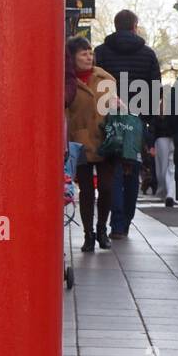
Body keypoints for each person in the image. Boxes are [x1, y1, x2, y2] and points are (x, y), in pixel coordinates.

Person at [94, 11, 161, 237]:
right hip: (136, 118)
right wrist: (147, 122)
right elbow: (154, 91)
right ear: (135, 26)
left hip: (108, 116)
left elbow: (96, 84)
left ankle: (116, 222)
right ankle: (125, 222)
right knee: (131, 168)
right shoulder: (148, 54)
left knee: (112, 169)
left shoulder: (101, 52)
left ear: (115, 26)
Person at [66, 37, 117, 252]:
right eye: (83, 53)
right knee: (86, 190)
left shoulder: (105, 78)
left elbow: (115, 109)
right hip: (80, 141)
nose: (88, 57)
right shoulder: (68, 82)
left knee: (105, 188)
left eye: (90, 52)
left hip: (106, 141)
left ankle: (102, 228)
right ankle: (88, 234)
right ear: (72, 57)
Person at [153, 84, 177, 207]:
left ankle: (165, 191)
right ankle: (170, 193)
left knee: (162, 168)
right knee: (171, 168)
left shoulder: (158, 108)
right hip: (172, 138)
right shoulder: (174, 106)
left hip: (161, 139)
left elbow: (154, 126)